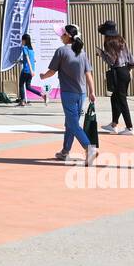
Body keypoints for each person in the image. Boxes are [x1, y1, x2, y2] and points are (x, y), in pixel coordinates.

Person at [37, 23, 99, 166]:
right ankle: (65, 152)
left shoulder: (61, 51)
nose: (60, 37)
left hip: (68, 94)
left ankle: (89, 148)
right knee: (70, 123)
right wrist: (92, 91)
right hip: (81, 94)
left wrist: (43, 77)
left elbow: (52, 71)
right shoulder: (82, 53)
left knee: (72, 123)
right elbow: (88, 74)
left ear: (68, 36)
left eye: (62, 35)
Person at [96, 20, 134, 135]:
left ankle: (130, 127)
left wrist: (101, 54)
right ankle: (113, 124)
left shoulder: (108, 43)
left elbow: (112, 60)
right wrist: (129, 69)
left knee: (122, 100)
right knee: (115, 97)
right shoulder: (121, 40)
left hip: (118, 72)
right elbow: (131, 58)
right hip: (125, 71)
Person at [17, 33, 36, 106]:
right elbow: (33, 60)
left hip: (26, 70)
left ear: (24, 40)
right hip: (31, 70)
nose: (21, 41)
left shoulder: (24, 48)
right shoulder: (31, 49)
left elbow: (28, 59)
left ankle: (23, 101)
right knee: (28, 86)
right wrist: (20, 61)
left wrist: (30, 70)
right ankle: (41, 94)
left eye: (22, 40)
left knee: (21, 85)